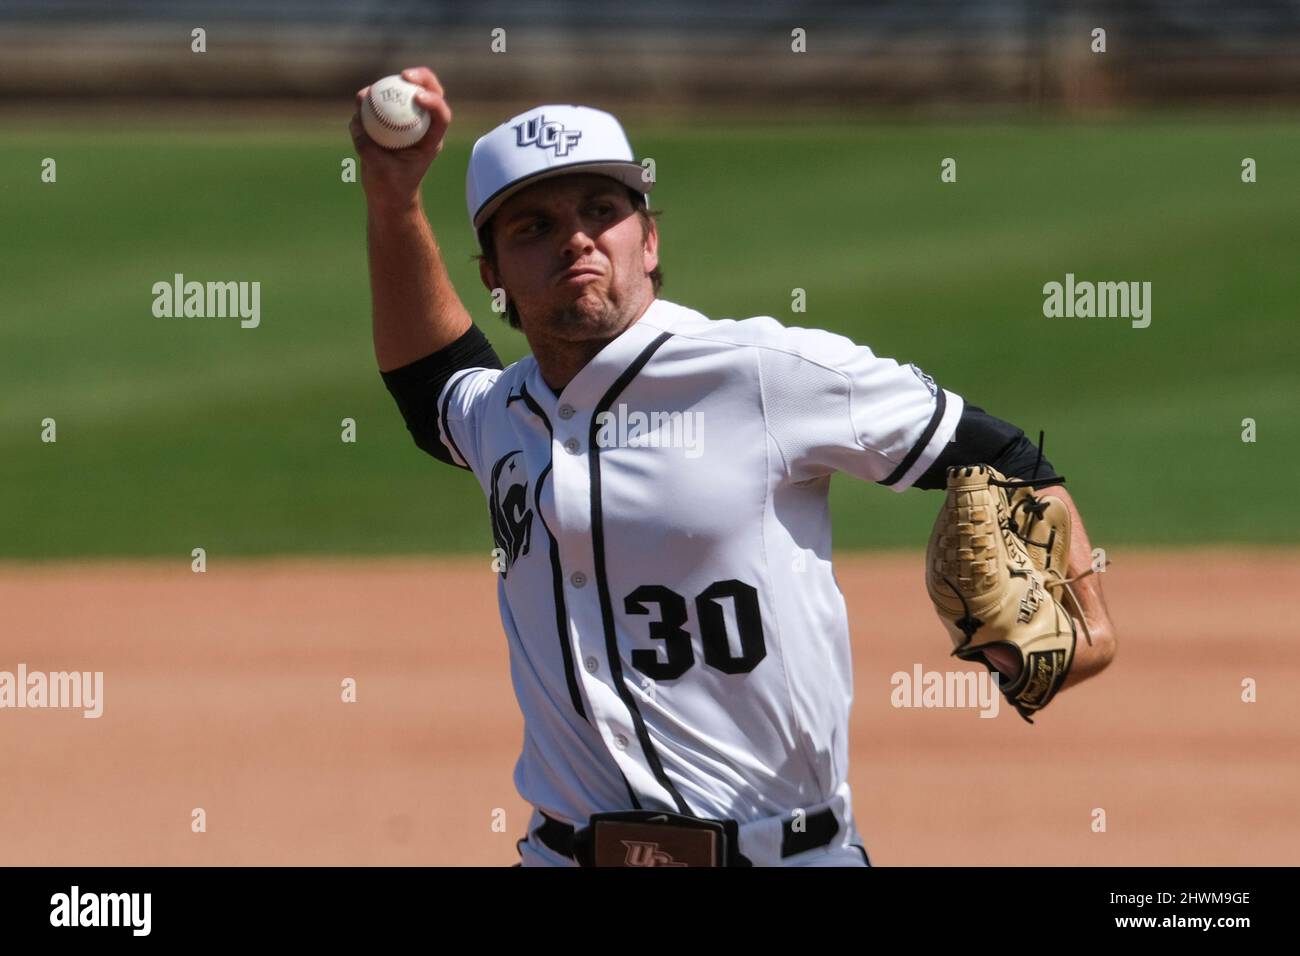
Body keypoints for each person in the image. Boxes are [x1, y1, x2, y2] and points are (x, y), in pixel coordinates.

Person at [349, 67, 1117, 867]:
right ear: (493, 277)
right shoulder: (500, 414)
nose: (576, 237)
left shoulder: (764, 372)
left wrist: (1090, 619)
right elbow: (429, 381)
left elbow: (1006, 457)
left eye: (602, 211)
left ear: (649, 240)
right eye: (533, 227)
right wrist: (393, 202)